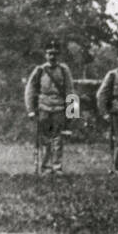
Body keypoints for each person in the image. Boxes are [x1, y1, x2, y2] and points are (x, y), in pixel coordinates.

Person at [24, 39, 75, 174]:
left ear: (59, 55)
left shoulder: (64, 70)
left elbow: (71, 91)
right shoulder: (39, 70)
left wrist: (71, 114)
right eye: (49, 53)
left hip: (59, 109)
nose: (52, 56)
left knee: (58, 139)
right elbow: (30, 90)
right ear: (45, 55)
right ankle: (46, 167)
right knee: (45, 139)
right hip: (43, 109)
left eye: (55, 54)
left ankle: (57, 167)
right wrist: (30, 110)